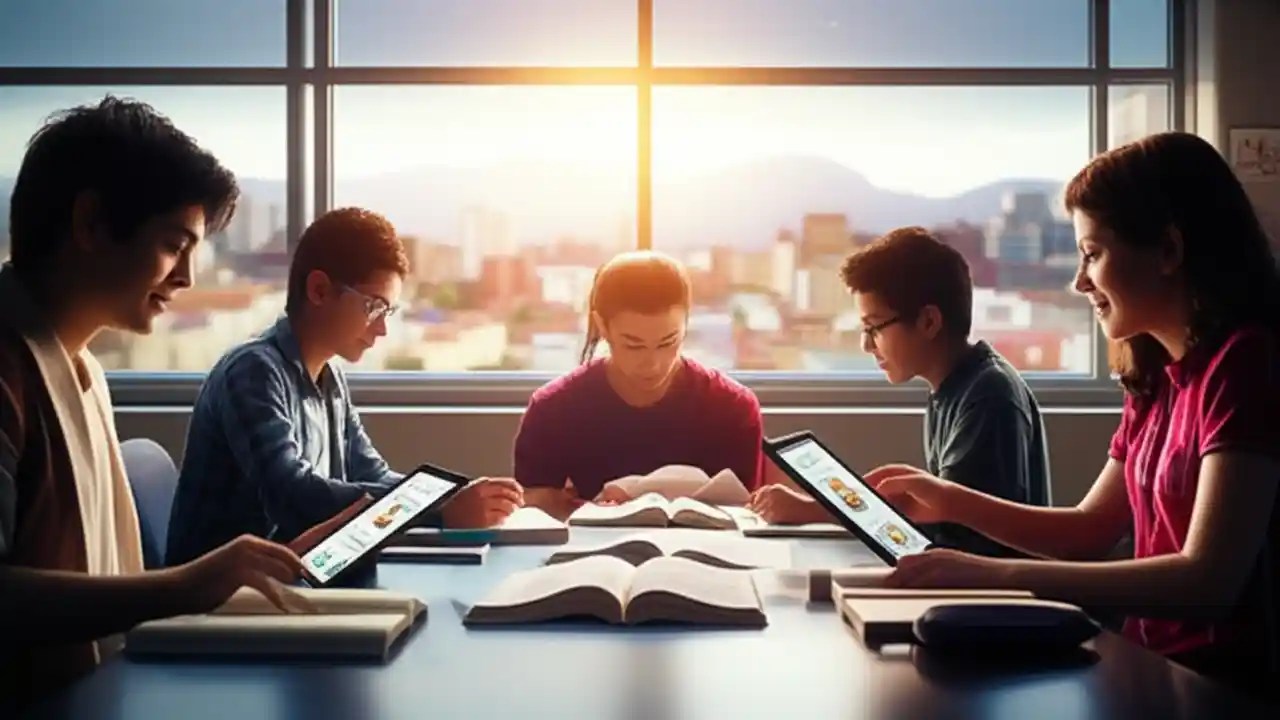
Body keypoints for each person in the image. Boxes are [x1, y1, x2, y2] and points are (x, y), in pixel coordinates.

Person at [863, 132, 1280, 695]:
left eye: (1092, 254)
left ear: (1169, 251)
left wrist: (996, 575)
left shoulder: (1244, 364)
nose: (1079, 280)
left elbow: (1210, 581)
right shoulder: (1154, 381)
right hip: (1150, 670)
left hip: (1219, 689)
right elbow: (1088, 531)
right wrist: (947, 497)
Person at [0, 96, 354, 710]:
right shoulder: (7, 369)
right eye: (173, 243)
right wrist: (184, 587)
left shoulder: (78, 367)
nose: (186, 276)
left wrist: (256, 568)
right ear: (90, 223)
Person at [166, 208, 523, 565]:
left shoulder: (328, 377)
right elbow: (292, 496)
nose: (382, 329)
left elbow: (373, 474)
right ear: (319, 290)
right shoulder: (253, 372)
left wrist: (459, 496)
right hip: (221, 603)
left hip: (293, 580)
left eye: (388, 312)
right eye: (374, 306)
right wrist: (438, 510)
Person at [749, 227, 1051, 556]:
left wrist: (812, 510)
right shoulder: (953, 387)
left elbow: (956, 534)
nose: (866, 344)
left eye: (874, 327)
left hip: (992, 597)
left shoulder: (988, 396)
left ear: (928, 322)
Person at [514, 250, 764, 518]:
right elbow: (534, 514)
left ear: (686, 324)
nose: (653, 364)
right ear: (603, 326)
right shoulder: (554, 408)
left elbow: (745, 516)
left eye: (668, 342)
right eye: (634, 345)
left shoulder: (732, 407)